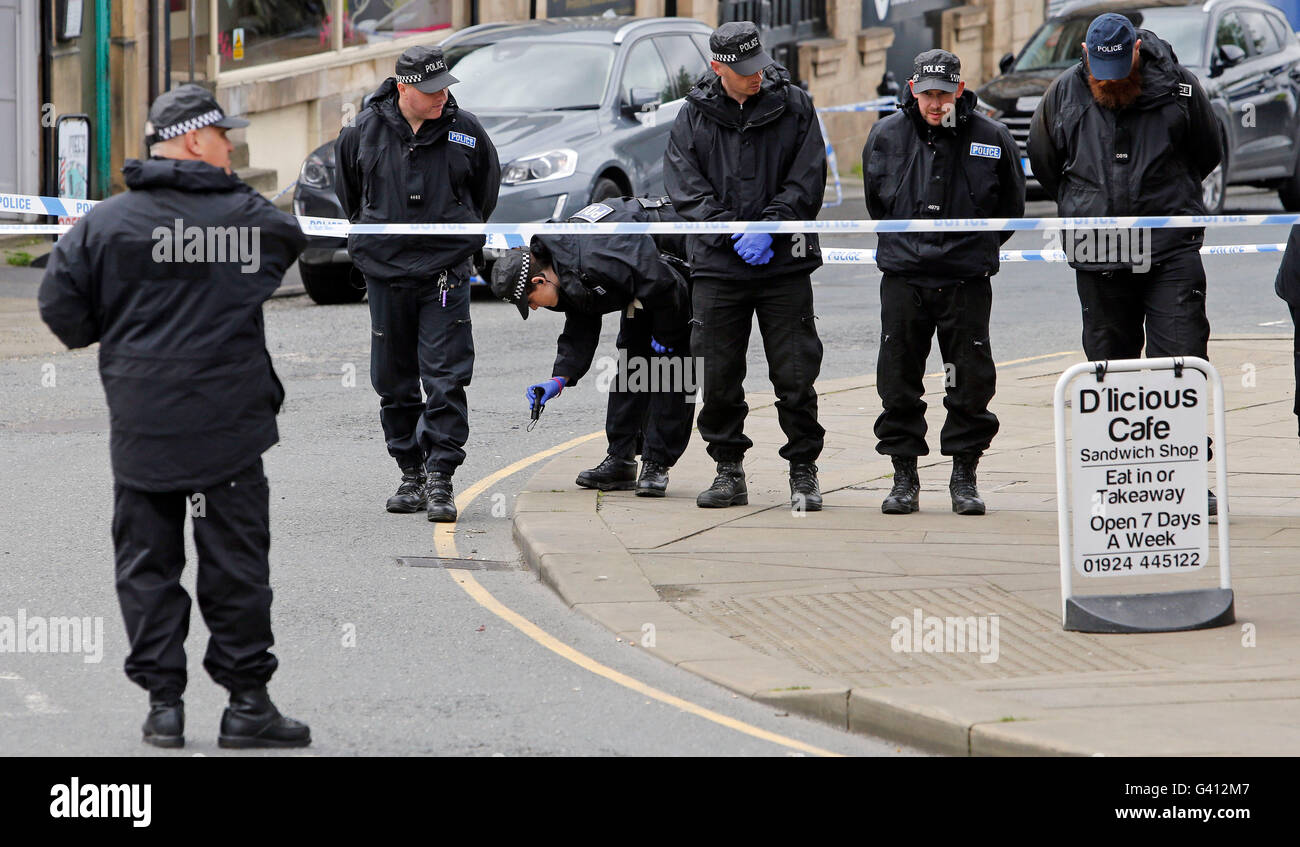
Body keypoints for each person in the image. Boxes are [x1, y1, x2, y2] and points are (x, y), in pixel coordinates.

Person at [38, 84, 310, 748]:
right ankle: (247, 704)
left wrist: (120, 330)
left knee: (146, 566)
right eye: (225, 139)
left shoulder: (106, 222)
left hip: (143, 424)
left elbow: (60, 310)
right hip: (227, 428)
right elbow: (284, 236)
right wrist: (221, 194)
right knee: (236, 566)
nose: (232, 151)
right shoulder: (241, 219)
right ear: (195, 140)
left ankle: (164, 706)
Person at [1029, 12, 1222, 514]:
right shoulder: (1063, 94)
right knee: (1108, 366)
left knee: (1179, 361)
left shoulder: (1179, 88)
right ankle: (1117, 480)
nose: (1110, 79)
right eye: (1101, 68)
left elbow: (1207, 151)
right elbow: (1047, 165)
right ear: (1088, 57)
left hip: (1169, 247)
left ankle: (1181, 479)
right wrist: (1089, 207)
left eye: (1120, 65)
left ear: (1136, 50)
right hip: (1100, 249)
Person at [665, 20, 827, 511]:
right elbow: (685, 188)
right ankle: (728, 470)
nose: (757, 75)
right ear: (718, 68)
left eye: (760, 65)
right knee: (717, 375)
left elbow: (808, 176)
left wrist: (771, 225)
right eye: (744, 69)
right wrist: (731, 231)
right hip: (718, 266)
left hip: (783, 265)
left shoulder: (794, 103)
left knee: (795, 374)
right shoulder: (692, 115)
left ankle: (804, 471)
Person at [336, 46, 500, 521]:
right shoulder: (361, 131)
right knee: (393, 379)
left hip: (444, 272)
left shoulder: (465, 130)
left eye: (445, 86)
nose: (441, 96)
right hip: (385, 272)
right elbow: (351, 198)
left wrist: (456, 230)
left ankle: (441, 478)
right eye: (430, 89)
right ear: (404, 88)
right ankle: (410, 471)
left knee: (446, 376)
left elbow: (485, 193)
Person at [863, 50, 1025, 515]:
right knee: (897, 379)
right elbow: (878, 203)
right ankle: (903, 476)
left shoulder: (990, 137)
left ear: (960, 91)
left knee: (970, 379)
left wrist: (973, 247)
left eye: (945, 95)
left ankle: (964, 475)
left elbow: (1010, 208)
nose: (937, 104)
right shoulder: (885, 135)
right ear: (913, 90)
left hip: (964, 278)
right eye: (929, 94)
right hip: (904, 276)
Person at [490, 197, 694, 496]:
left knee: (669, 367)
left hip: (678, 266)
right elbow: (582, 318)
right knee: (633, 362)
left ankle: (657, 463)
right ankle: (621, 458)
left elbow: (666, 286)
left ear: (539, 280)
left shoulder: (597, 257)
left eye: (530, 302)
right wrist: (561, 377)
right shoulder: (564, 263)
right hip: (646, 278)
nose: (533, 309)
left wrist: (666, 337)